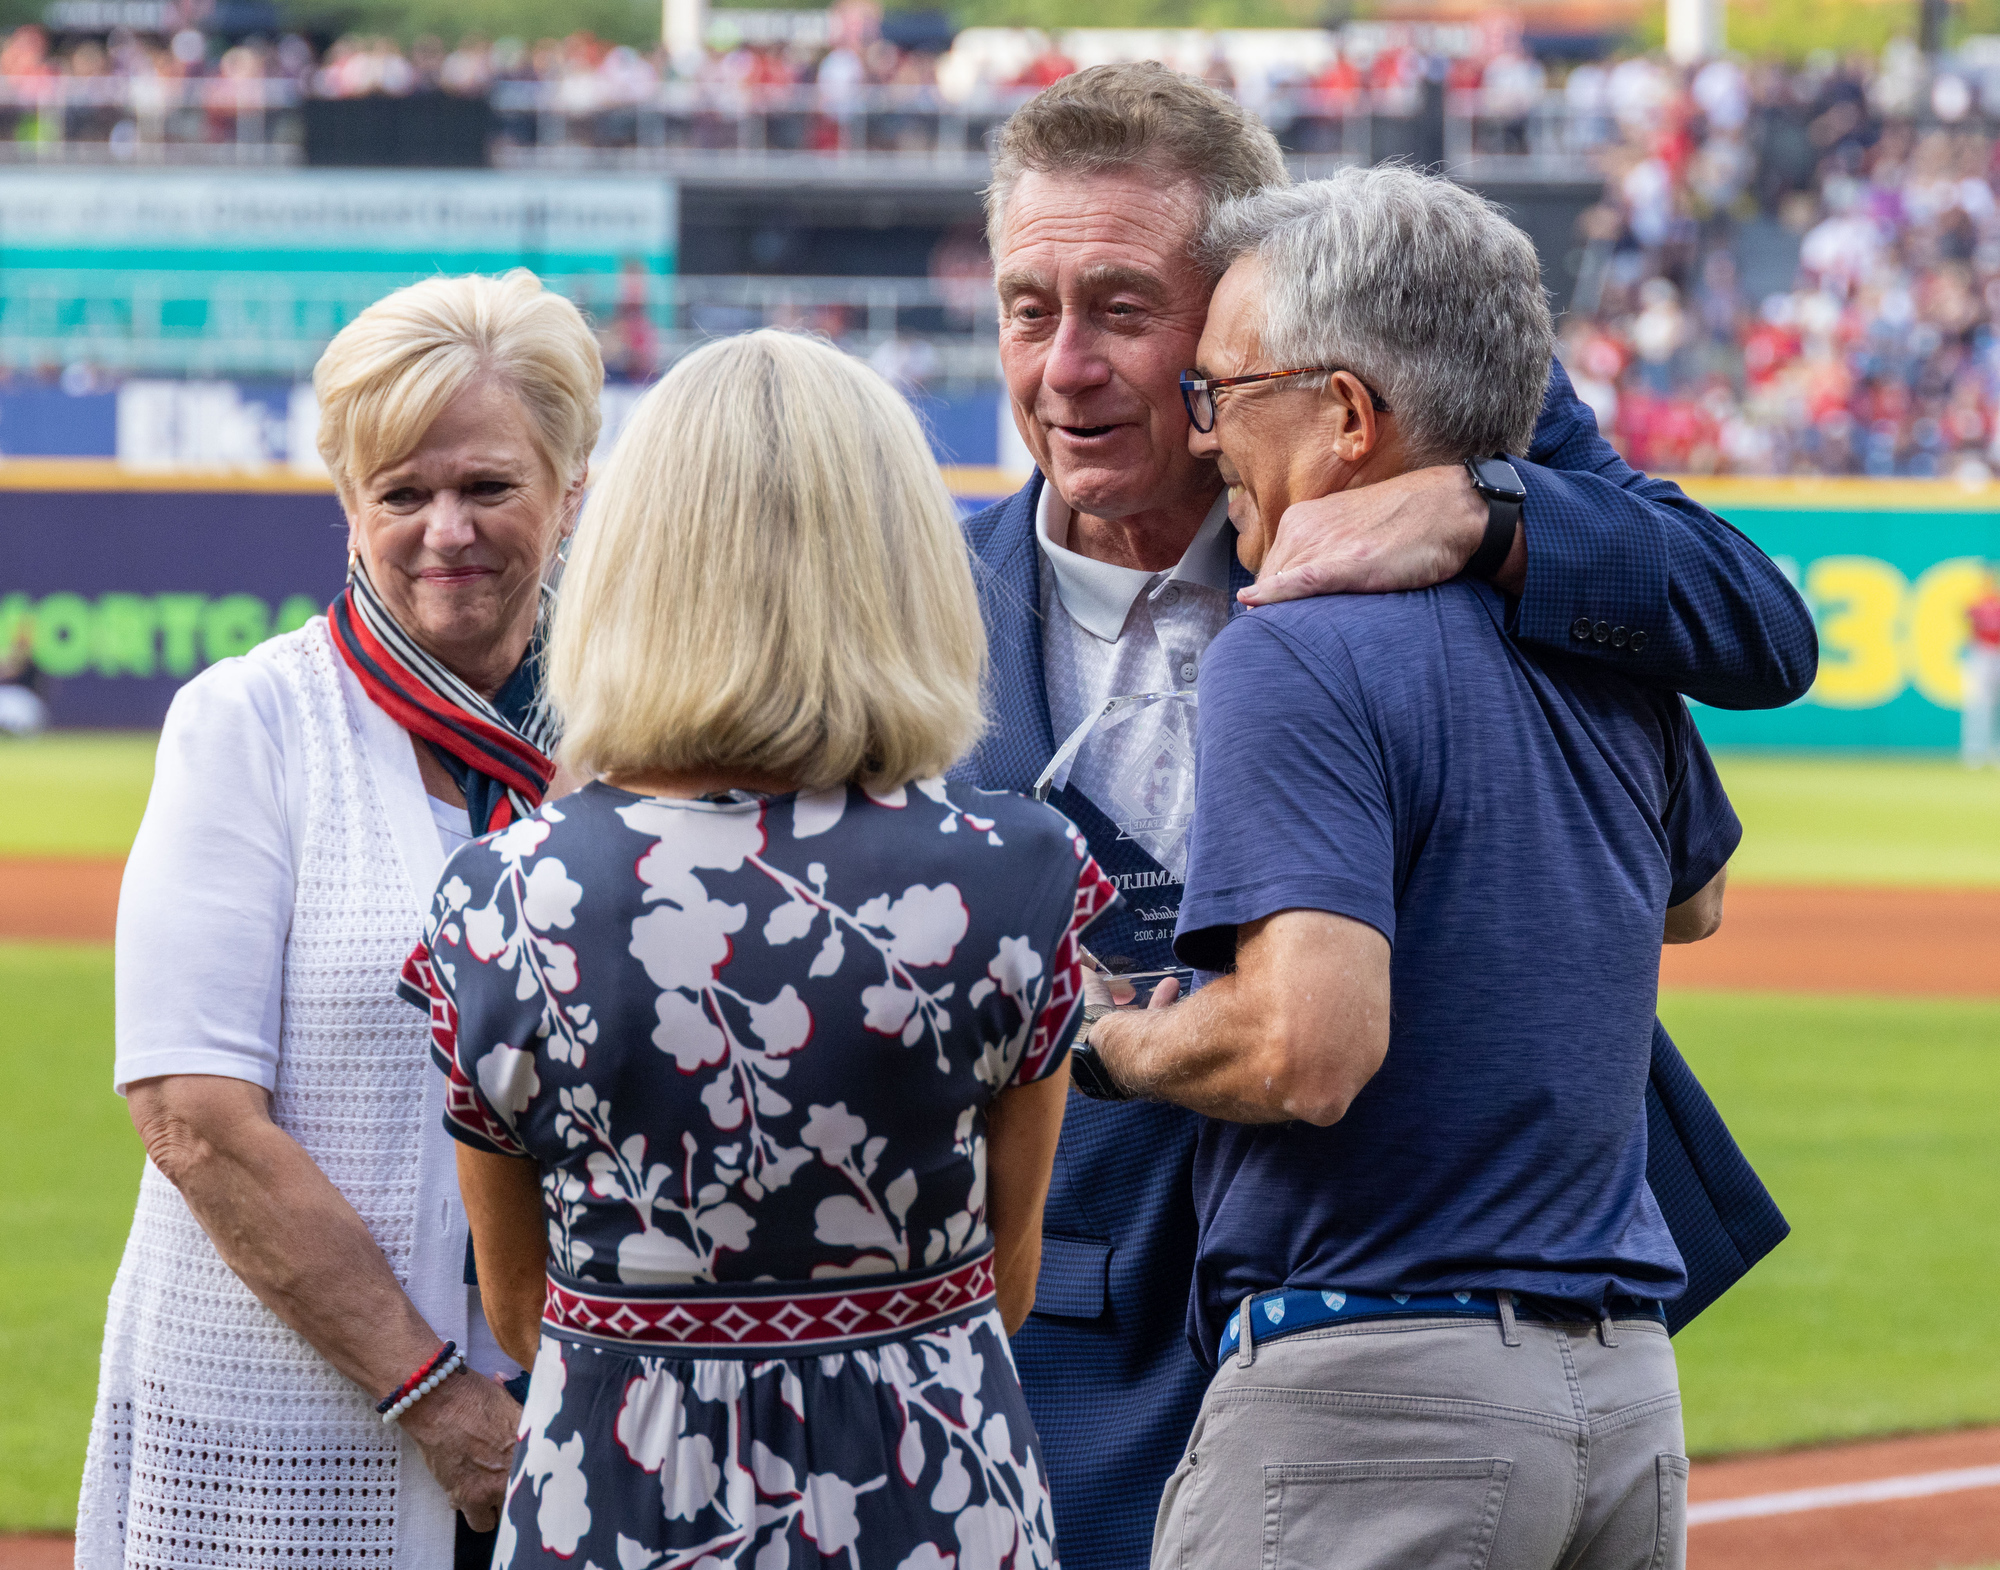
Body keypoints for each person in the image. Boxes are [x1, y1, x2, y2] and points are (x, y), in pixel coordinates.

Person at [952, 62, 1811, 1570]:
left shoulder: (1459, 467)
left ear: (1256, 318)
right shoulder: (911, 597)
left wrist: (1494, 512)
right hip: (1070, 1347)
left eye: (1126, 313)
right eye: (1031, 309)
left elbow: (1761, 627)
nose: (1065, 370)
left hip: (1390, 1308)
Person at [400, 330, 1106, 1568]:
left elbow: (522, 1310)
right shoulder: (1014, 870)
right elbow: (1005, 1273)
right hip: (928, 1494)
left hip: (615, 1499)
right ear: (897, 568)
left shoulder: (504, 898)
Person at [78, 269, 602, 1570]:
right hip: (298, 1426)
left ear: (571, 489)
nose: (445, 530)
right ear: (344, 503)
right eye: (400, 493)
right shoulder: (250, 725)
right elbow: (191, 1114)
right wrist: (439, 1398)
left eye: (487, 487)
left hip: (597, 1426)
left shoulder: (640, 733)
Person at [1963, 567, 2000, 767]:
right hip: (1981, 652)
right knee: (1978, 703)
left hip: (1997, 653)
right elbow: (1967, 624)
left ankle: (1995, 751)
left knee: (1996, 705)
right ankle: (1975, 751)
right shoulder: (1974, 602)